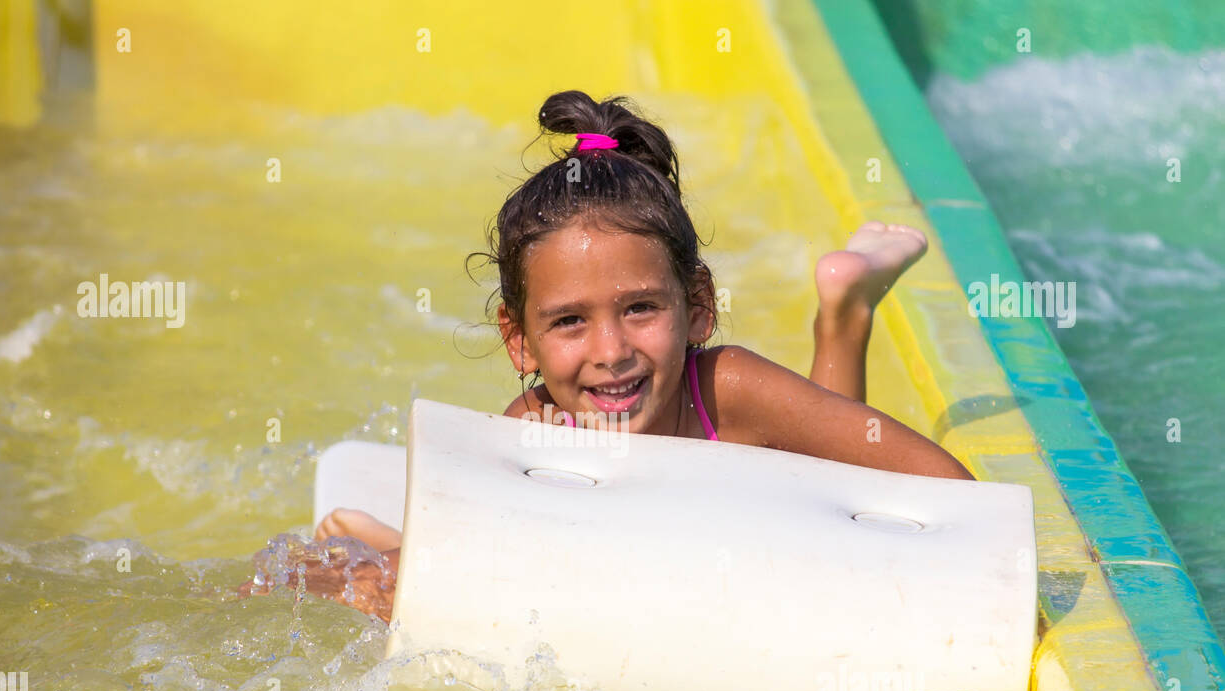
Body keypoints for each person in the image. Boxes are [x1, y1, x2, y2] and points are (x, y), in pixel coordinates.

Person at [278, 90, 974, 621]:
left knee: (823, 467)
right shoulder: (535, 428)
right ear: (518, 340)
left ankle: (845, 312)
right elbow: (475, 555)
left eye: (641, 308)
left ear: (696, 307)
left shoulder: (729, 389)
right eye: (570, 322)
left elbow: (948, 488)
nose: (611, 352)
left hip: (767, 496)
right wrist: (376, 570)